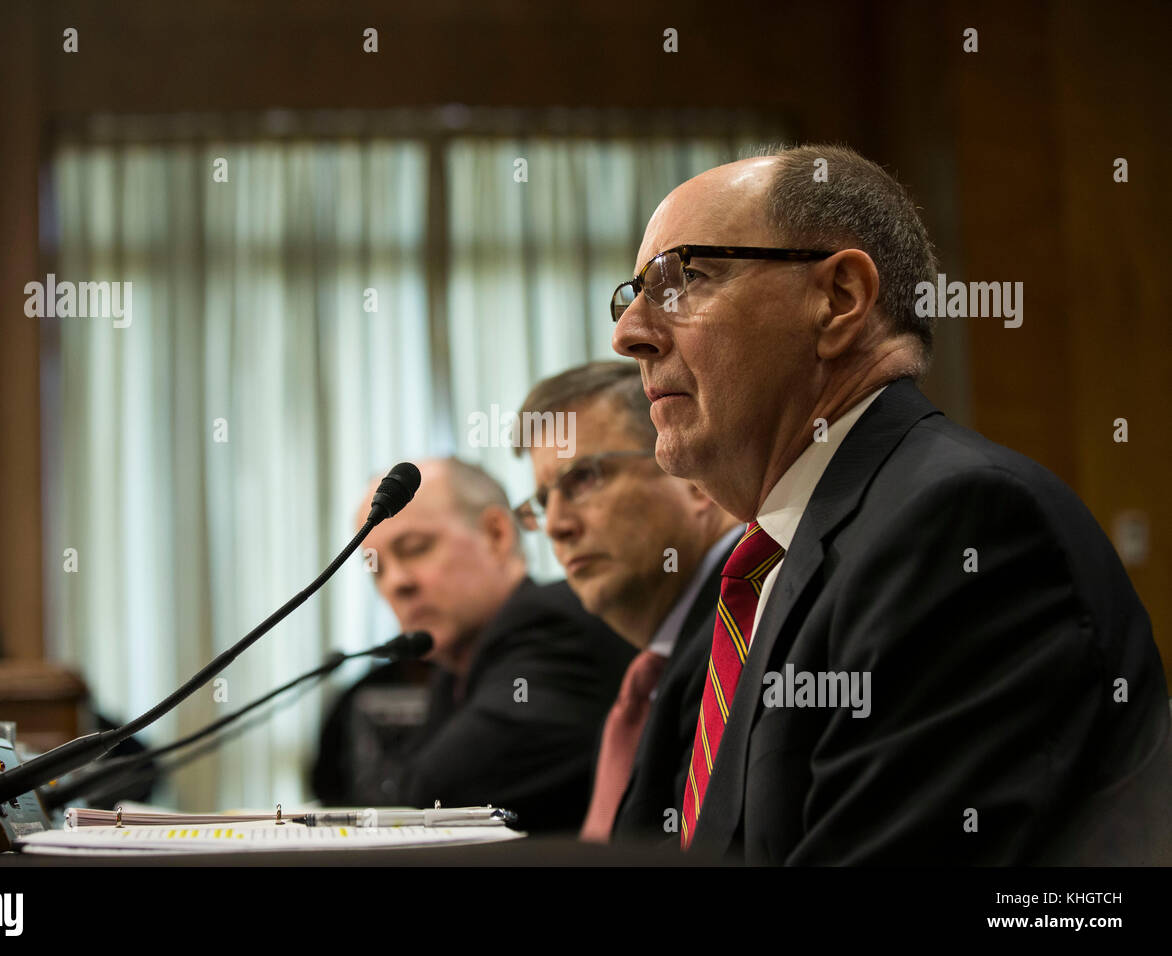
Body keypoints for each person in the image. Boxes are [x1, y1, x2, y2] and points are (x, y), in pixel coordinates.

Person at [610, 143, 1172, 864]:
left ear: (839, 299)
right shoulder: (759, 571)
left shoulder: (964, 528)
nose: (629, 335)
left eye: (683, 278)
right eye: (633, 294)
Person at [515, 361, 741, 842]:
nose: (556, 526)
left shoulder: (748, 629)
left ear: (692, 478)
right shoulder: (654, 667)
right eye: (542, 502)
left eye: (584, 478)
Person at [351, 456, 633, 833]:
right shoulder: (455, 671)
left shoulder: (553, 628)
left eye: (416, 548)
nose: (396, 583)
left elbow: (425, 798)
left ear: (497, 534)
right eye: (378, 569)